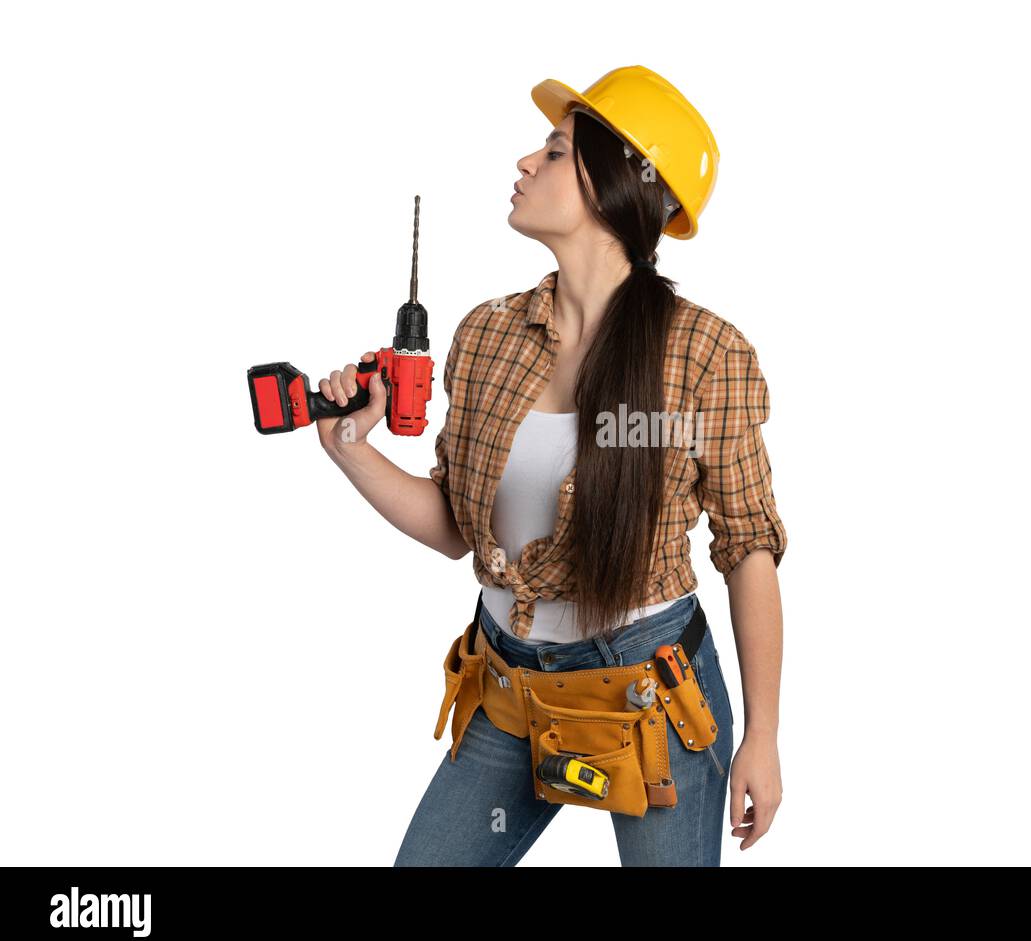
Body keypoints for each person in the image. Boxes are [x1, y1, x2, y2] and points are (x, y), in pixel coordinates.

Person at [315, 66, 788, 866]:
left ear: (614, 187)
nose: (525, 165)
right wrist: (348, 447)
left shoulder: (706, 355)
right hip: (508, 691)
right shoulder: (489, 334)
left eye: (555, 150)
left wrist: (765, 738)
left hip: (652, 699)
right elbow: (456, 530)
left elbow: (747, 550)